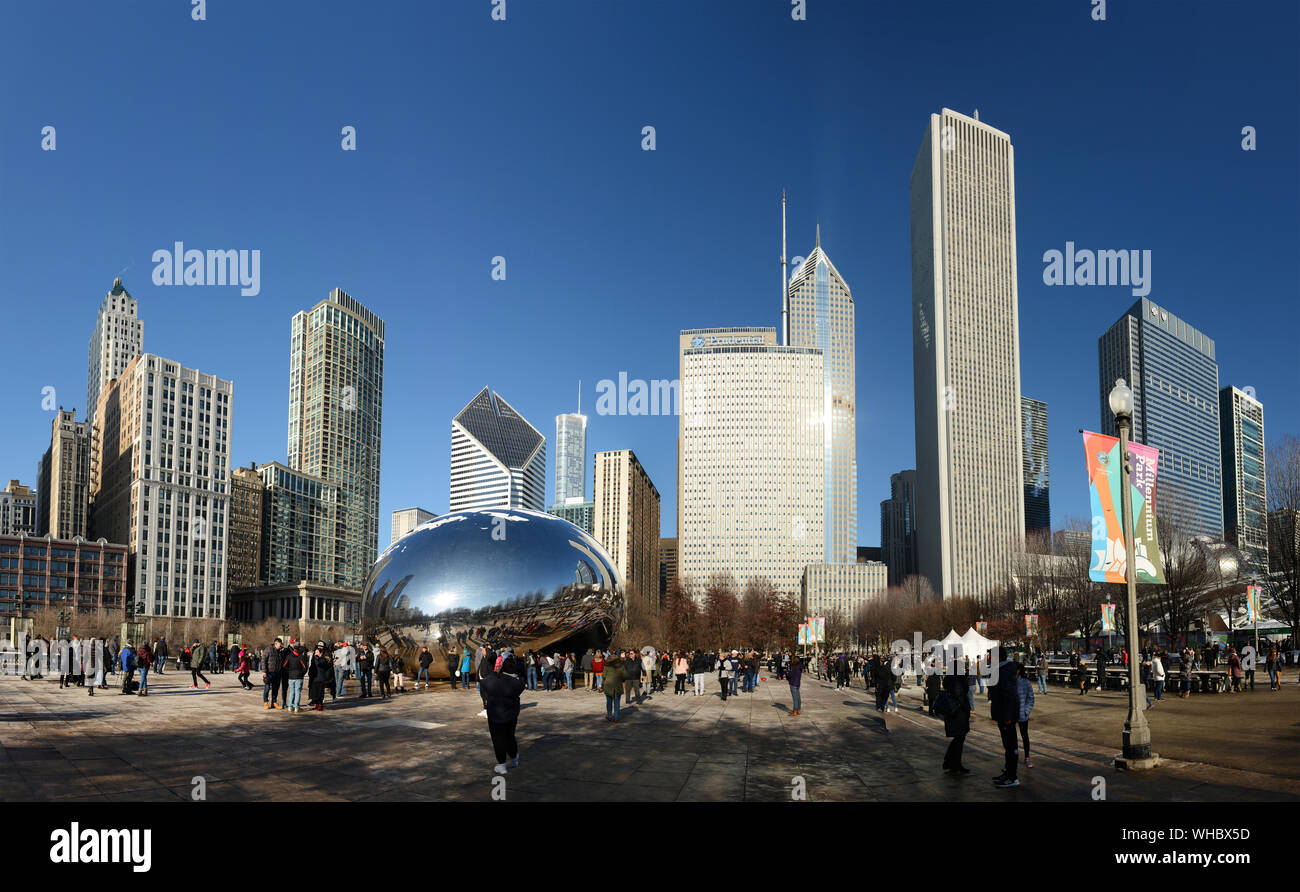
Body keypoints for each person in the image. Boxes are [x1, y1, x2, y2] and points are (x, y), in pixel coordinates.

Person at [481, 654, 526, 774]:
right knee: (510, 736)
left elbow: (483, 683)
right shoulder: (517, 683)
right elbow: (522, 682)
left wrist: (495, 672)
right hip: (511, 714)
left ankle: (501, 764)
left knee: (498, 739)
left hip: (495, 715)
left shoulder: (493, 680)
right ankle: (514, 757)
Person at [989, 647, 1021, 788]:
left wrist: (1008, 716)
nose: (989, 659)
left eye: (991, 656)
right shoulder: (1001, 670)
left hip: (1007, 715)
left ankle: (1012, 777)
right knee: (1007, 746)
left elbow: (1009, 695)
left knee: (1010, 746)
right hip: (1002, 713)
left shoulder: (1004, 672)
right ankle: (1008, 772)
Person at [940, 669, 971, 775]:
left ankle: (950, 762)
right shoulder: (957, 681)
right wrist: (967, 709)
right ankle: (954, 764)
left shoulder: (951, 680)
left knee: (958, 739)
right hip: (958, 714)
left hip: (953, 713)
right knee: (959, 740)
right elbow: (960, 697)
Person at [1016, 663, 1035, 769]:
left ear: (1019, 670)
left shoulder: (1025, 682)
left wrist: (1026, 711)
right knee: (1011, 739)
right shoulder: (1010, 681)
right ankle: (1011, 760)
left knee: (1024, 736)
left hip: (1023, 714)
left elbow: (1031, 697)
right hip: (1012, 714)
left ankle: (1027, 757)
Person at [283, 640, 309, 712]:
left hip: (291, 676)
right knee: (297, 692)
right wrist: (302, 673)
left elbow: (284, 666)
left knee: (292, 692)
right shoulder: (301, 657)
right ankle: (296, 707)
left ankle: (290, 706)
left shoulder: (289, 656)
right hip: (298, 677)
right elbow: (305, 667)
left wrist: (288, 672)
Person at [602, 653, 626, 722]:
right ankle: (616, 717)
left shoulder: (606, 667)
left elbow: (603, 676)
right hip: (618, 686)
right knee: (617, 702)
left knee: (609, 702)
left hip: (609, 686)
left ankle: (609, 715)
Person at [307, 643, 332, 711]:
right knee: (315, 693)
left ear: (320, 653)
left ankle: (320, 705)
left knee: (320, 693)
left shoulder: (322, 659)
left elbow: (319, 664)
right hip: (315, 678)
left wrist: (316, 657)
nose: (315, 653)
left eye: (316, 652)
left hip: (320, 678)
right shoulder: (316, 659)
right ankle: (317, 704)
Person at [263, 638, 285, 709]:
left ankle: (274, 703)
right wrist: (264, 671)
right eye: (280, 644)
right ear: (276, 643)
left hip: (277, 673)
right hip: (269, 672)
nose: (281, 645)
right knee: (267, 688)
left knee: (275, 689)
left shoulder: (280, 651)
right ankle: (266, 702)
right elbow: (263, 660)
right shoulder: (268, 649)